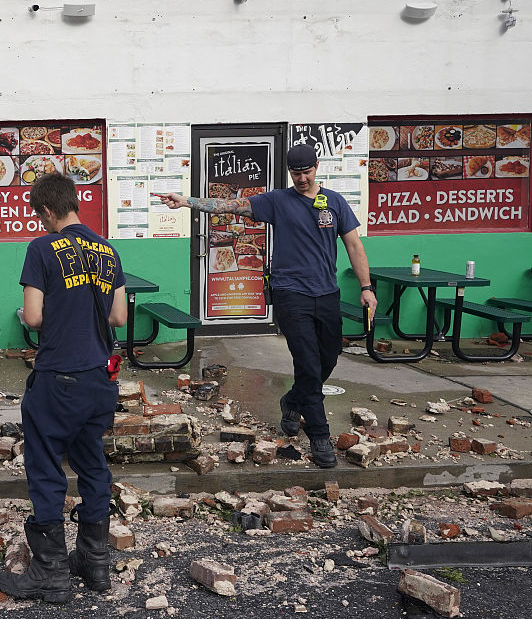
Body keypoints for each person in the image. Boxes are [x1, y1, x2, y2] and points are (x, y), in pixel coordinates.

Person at [153, 143, 377, 468]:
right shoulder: (277, 201)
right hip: (290, 293)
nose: (302, 179)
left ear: (317, 167)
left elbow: (354, 245)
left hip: (326, 293)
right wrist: (187, 201)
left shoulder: (335, 203)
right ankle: (319, 435)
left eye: (307, 172)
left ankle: (293, 399)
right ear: (290, 172)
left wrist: (366, 287)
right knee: (309, 364)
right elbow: (229, 206)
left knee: (328, 359)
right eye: (296, 173)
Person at [0, 173, 127, 603]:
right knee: (92, 464)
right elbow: (119, 317)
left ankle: (51, 571)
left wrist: (56, 305)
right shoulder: (108, 250)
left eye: (40, 215)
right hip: (100, 380)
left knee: (47, 467)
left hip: (58, 378)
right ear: (75, 203)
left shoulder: (41, 248)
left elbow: (32, 317)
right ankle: (95, 564)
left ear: (47, 211)